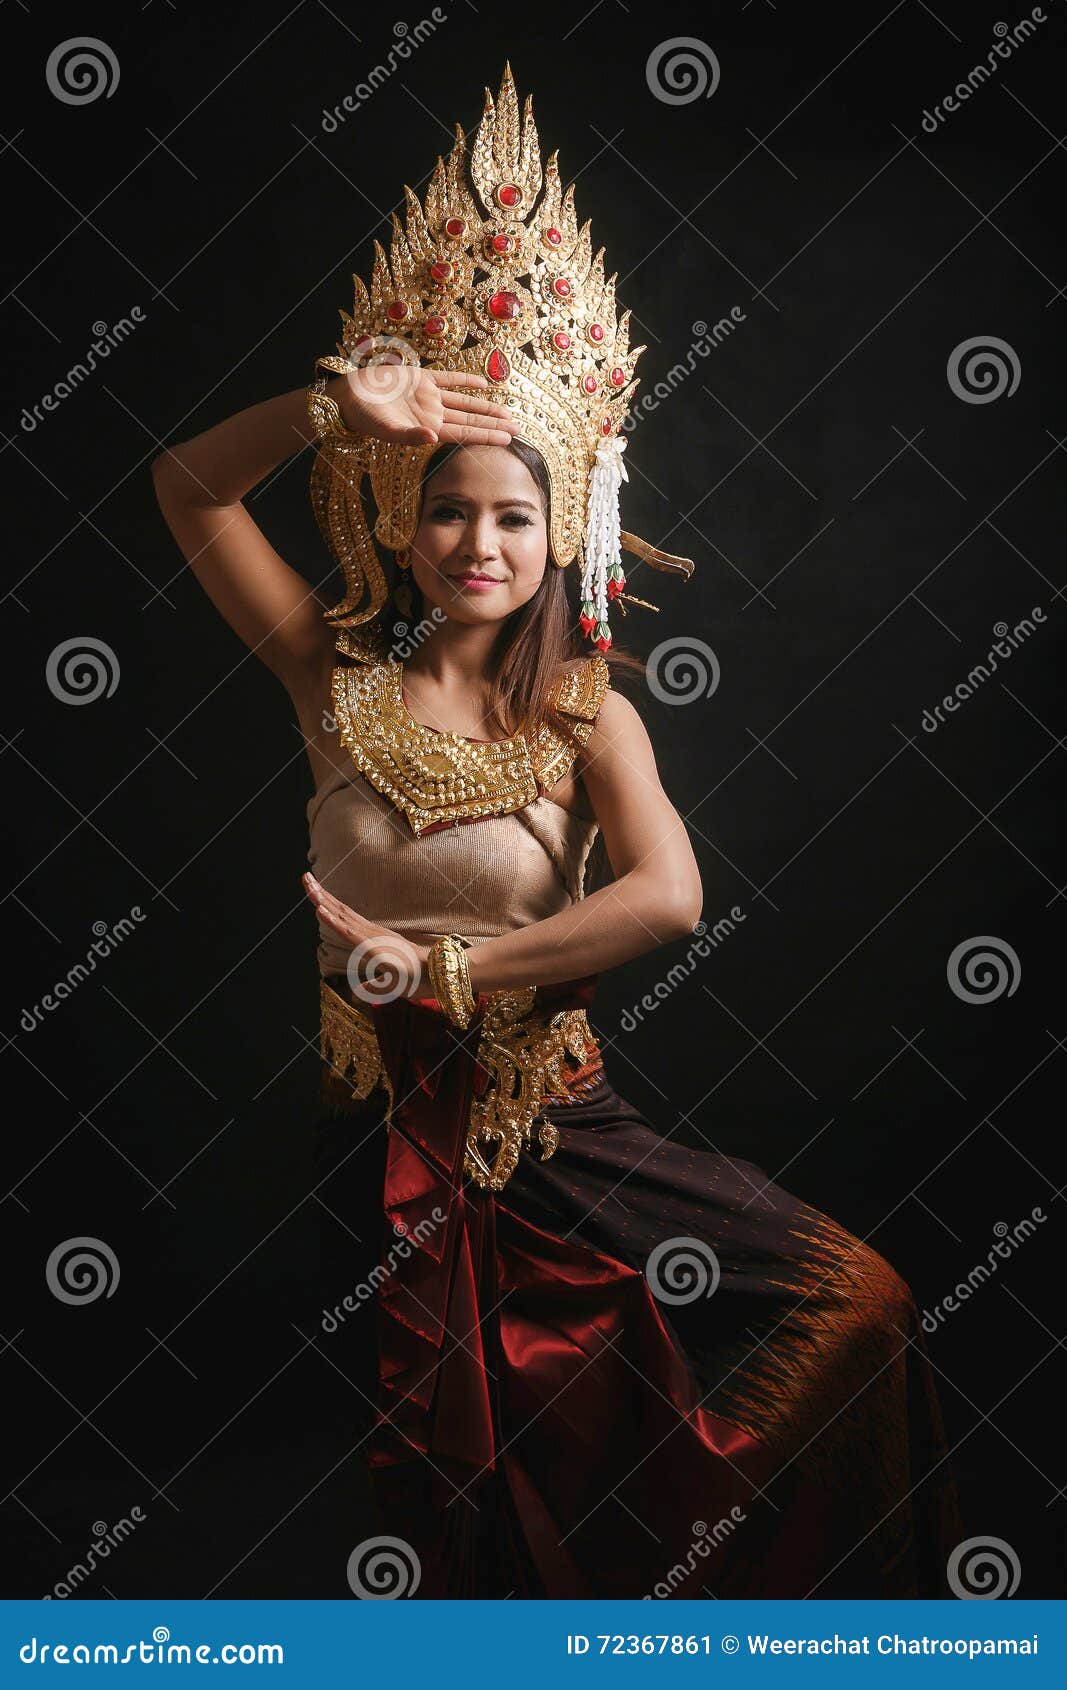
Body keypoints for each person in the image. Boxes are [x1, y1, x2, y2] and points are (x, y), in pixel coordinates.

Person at [152, 62, 963, 1600]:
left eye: (516, 517)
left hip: (556, 1137)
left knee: (853, 1306)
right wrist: (336, 404)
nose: (479, 543)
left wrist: (450, 972)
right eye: (450, 509)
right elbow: (187, 490)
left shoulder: (590, 715)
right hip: (382, 1147)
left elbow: (668, 896)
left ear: (560, 534)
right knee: (467, 1495)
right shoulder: (327, 674)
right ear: (402, 516)